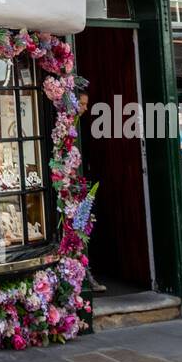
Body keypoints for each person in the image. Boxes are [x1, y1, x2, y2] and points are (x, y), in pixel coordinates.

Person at [76, 89, 106, 293]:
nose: (86, 108)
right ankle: (84, 277)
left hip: (82, 186)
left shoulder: (81, 125)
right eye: (83, 103)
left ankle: (87, 275)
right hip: (73, 189)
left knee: (83, 231)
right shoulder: (68, 123)